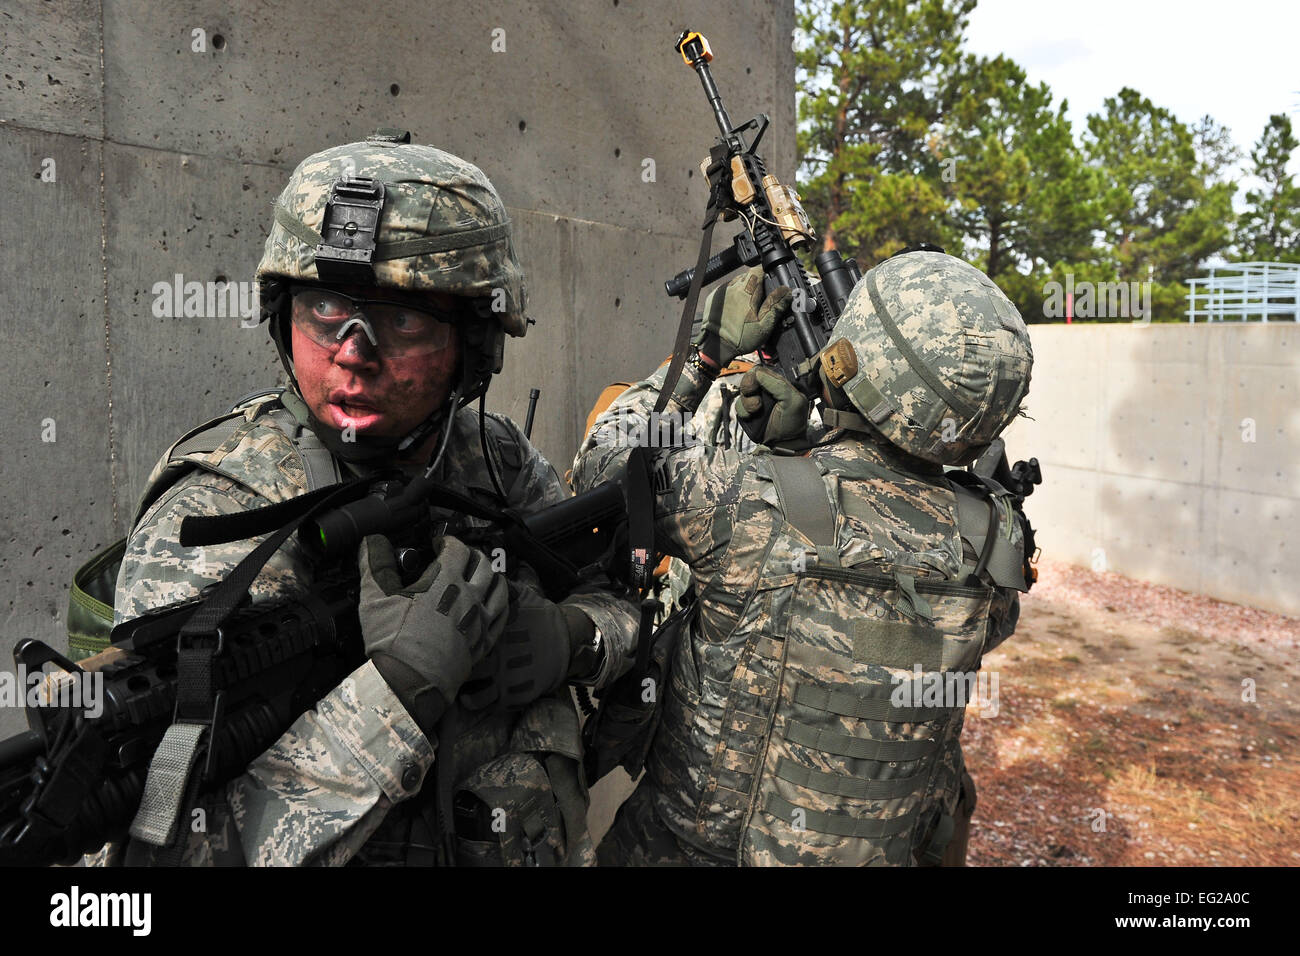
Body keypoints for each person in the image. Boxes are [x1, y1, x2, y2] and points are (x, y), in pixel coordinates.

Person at [89, 130, 637, 866]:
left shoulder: (493, 457)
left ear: (475, 346)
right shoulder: (219, 514)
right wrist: (397, 693)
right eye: (324, 309)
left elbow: (628, 601)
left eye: (402, 318)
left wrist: (573, 640)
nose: (351, 349)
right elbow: (155, 863)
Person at [573, 252, 1034, 866]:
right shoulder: (995, 538)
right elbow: (882, 615)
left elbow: (604, 472)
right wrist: (800, 452)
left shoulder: (743, 500)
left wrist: (703, 357)